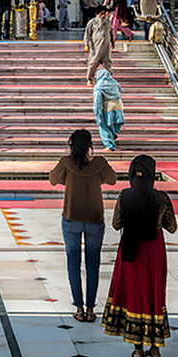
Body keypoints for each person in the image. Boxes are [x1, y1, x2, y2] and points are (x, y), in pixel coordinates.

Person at [102, 154, 178, 357]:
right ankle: (155, 348)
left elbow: (116, 224)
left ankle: (137, 350)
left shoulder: (124, 196)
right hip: (153, 253)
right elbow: (172, 227)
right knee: (154, 295)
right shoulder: (161, 198)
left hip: (131, 250)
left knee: (134, 296)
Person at [50, 128, 118, 323]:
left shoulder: (66, 162)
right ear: (90, 145)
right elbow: (112, 179)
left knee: (73, 263)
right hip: (95, 218)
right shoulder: (99, 163)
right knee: (93, 264)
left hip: (71, 217)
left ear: (71, 145)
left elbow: (53, 179)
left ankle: (78, 308)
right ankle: (90, 309)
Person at [93, 68, 124, 150]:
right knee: (114, 125)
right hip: (118, 107)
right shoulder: (114, 82)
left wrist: (97, 114)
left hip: (107, 108)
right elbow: (120, 90)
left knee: (104, 126)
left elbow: (97, 102)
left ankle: (109, 145)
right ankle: (113, 135)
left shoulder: (99, 86)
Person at [84, 10, 113, 85]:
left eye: (104, 13)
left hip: (106, 47)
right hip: (96, 47)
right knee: (93, 63)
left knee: (107, 64)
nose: (103, 15)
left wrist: (112, 41)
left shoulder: (108, 22)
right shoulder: (92, 22)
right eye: (101, 13)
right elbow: (87, 34)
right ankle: (89, 79)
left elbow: (111, 32)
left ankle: (108, 79)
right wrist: (86, 44)